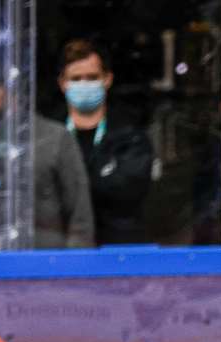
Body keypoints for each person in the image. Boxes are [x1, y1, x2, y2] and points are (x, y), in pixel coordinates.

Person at [0, 47, 93, 249]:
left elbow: (80, 216)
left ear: (10, 91)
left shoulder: (53, 137)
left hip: (44, 263)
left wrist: (77, 269)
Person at [58, 39, 153, 245]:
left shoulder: (132, 135)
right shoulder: (48, 135)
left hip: (117, 249)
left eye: (92, 77)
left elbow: (128, 193)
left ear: (107, 79)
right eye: (76, 78)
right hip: (60, 249)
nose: (84, 85)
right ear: (63, 83)